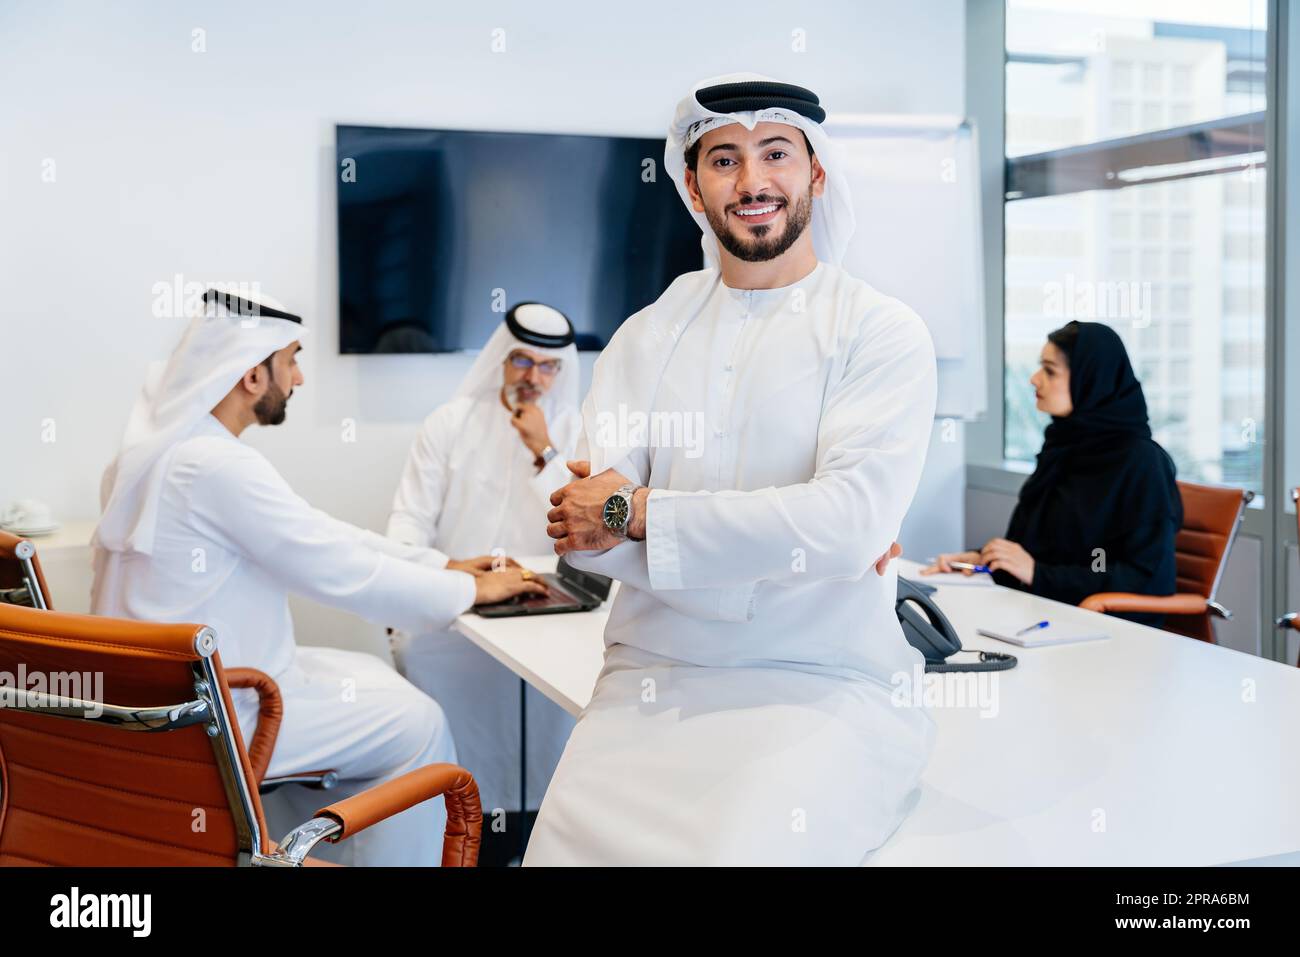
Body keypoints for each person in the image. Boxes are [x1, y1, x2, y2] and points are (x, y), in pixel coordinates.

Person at [524, 74, 935, 866]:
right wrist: (779, 530)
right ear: (692, 185)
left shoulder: (878, 332)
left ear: (816, 172)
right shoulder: (648, 334)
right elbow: (581, 533)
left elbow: (848, 527)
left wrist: (635, 512)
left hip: (823, 685)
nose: (753, 182)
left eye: (775, 153)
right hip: (648, 680)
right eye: (724, 160)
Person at [91, 288, 545, 866]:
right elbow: (336, 568)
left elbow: (320, 534)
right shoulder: (215, 465)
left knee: (370, 674)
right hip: (222, 713)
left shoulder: (164, 453)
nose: (300, 378)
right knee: (419, 723)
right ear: (254, 375)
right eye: (293, 360)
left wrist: (442, 566)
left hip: (169, 699)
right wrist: (471, 591)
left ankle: (279, 846)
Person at [386, 302, 582, 841]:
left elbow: (585, 529)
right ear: (501, 359)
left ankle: (537, 836)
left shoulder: (574, 433)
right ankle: (458, 831)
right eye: (521, 362)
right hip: (460, 613)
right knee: (427, 667)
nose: (533, 378)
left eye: (548, 367)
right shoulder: (449, 424)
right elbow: (407, 525)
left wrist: (544, 450)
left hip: (549, 613)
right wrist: (413, 587)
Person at [924, 320, 1181, 626]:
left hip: (1105, 629)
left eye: (1049, 370)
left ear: (1091, 380)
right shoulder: (1065, 446)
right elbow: (1040, 549)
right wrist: (986, 560)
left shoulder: (1142, 463)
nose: (1034, 379)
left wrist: (1037, 573)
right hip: (1038, 610)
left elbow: (1146, 578)